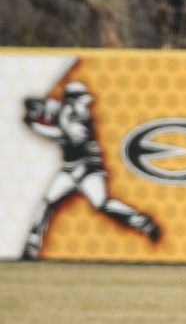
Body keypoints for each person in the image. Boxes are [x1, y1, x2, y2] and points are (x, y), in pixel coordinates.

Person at [20, 80, 161, 260]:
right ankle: (32, 246)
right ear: (71, 99)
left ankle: (144, 223)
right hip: (70, 170)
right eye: (80, 98)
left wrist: (35, 125)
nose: (85, 102)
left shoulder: (81, 114)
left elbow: (68, 137)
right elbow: (38, 106)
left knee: (101, 203)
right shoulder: (66, 109)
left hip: (88, 169)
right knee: (48, 202)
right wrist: (36, 109)